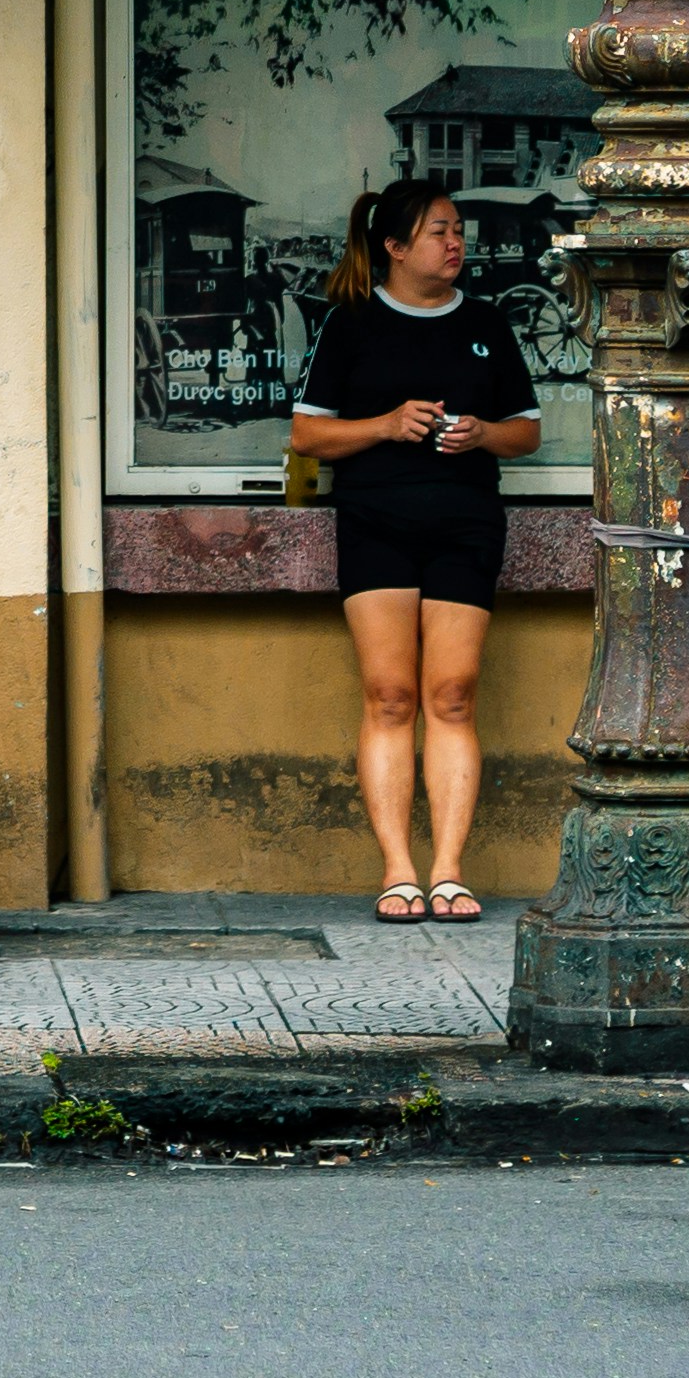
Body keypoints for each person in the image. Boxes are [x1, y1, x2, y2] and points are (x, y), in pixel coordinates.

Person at [286, 180, 540, 926]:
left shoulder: (489, 322)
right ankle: (398, 870)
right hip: (375, 523)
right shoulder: (352, 325)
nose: (455, 243)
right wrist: (387, 424)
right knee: (391, 697)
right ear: (395, 247)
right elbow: (307, 437)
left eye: (457, 230)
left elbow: (523, 430)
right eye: (438, 232)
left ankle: (450, 870)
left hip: (466, 524)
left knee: (452, 695)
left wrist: (481, 435)